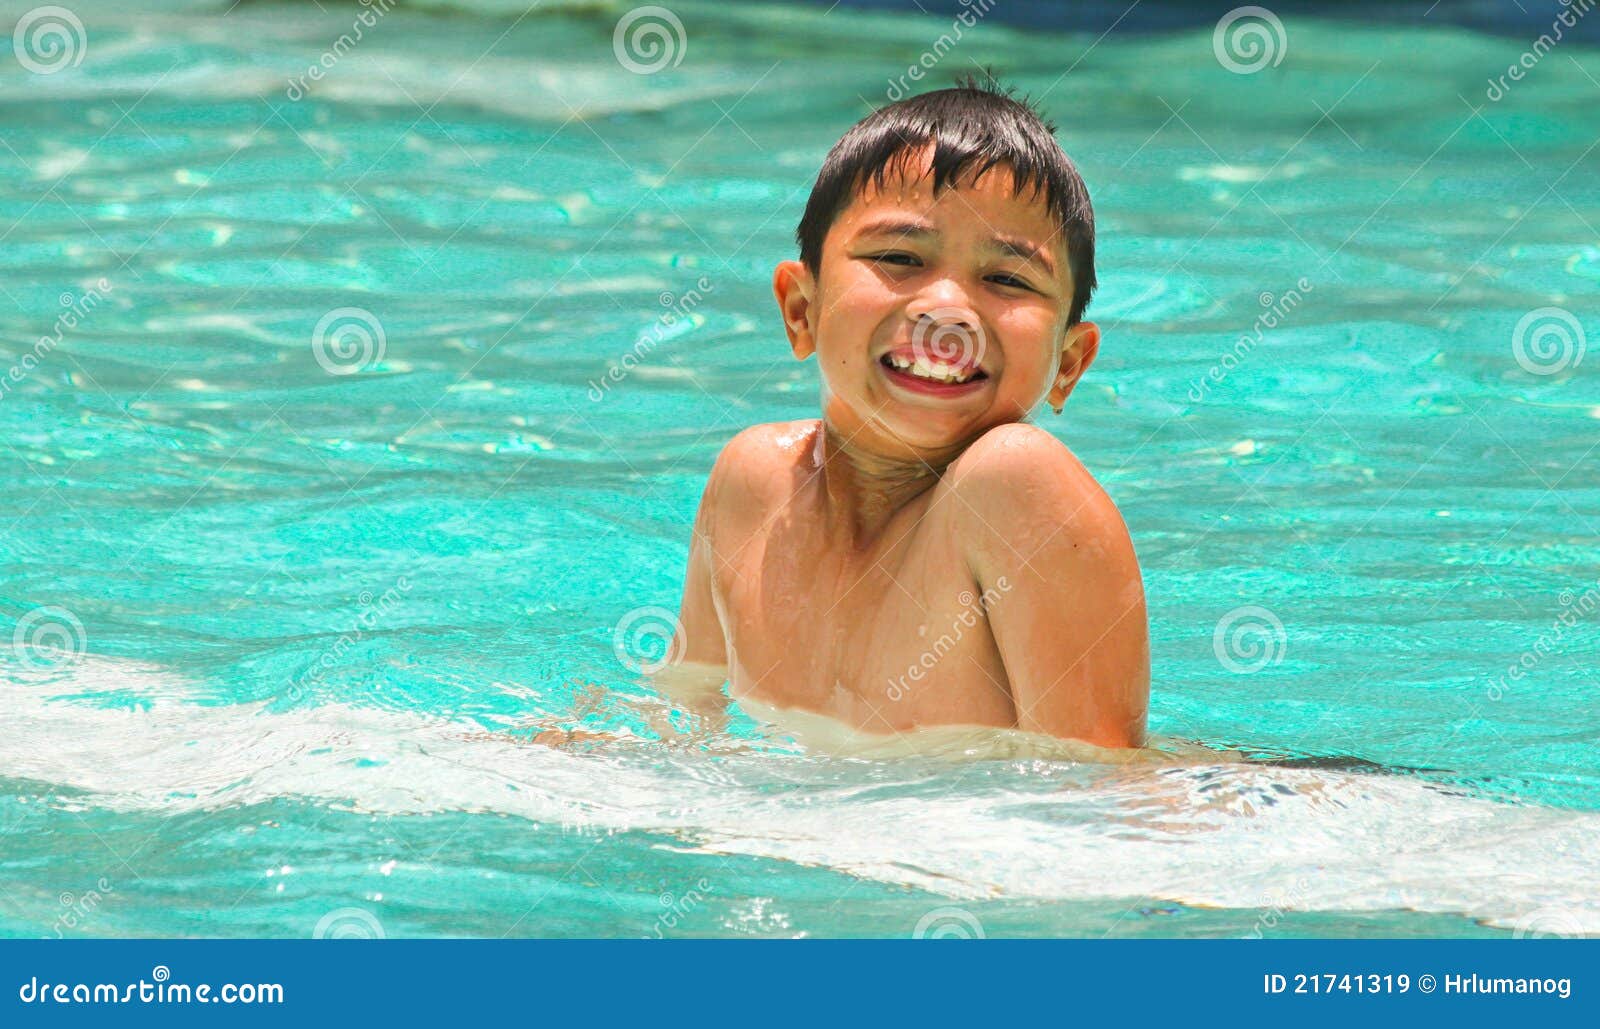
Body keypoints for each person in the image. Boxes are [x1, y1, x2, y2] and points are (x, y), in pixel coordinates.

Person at [671, 79, 1148, 749]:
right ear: (802, 311)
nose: (947, 310)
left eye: (1007, 278)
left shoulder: (1013, 488)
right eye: (899, 257)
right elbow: (682, 721)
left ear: (1069, 364)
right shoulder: (751, 483)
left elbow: (1104, 794)